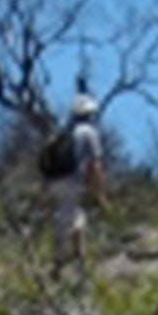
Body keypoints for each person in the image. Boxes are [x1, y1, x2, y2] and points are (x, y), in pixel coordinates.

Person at [51, 92, 107, 281]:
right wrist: (99, 193)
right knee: (69, 219)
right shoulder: (88, 133)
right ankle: (59, 264)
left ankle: (78, 262)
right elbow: (95, 165)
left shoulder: (64, 132)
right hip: (73, 180)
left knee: (74, 216)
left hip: (55, 181)